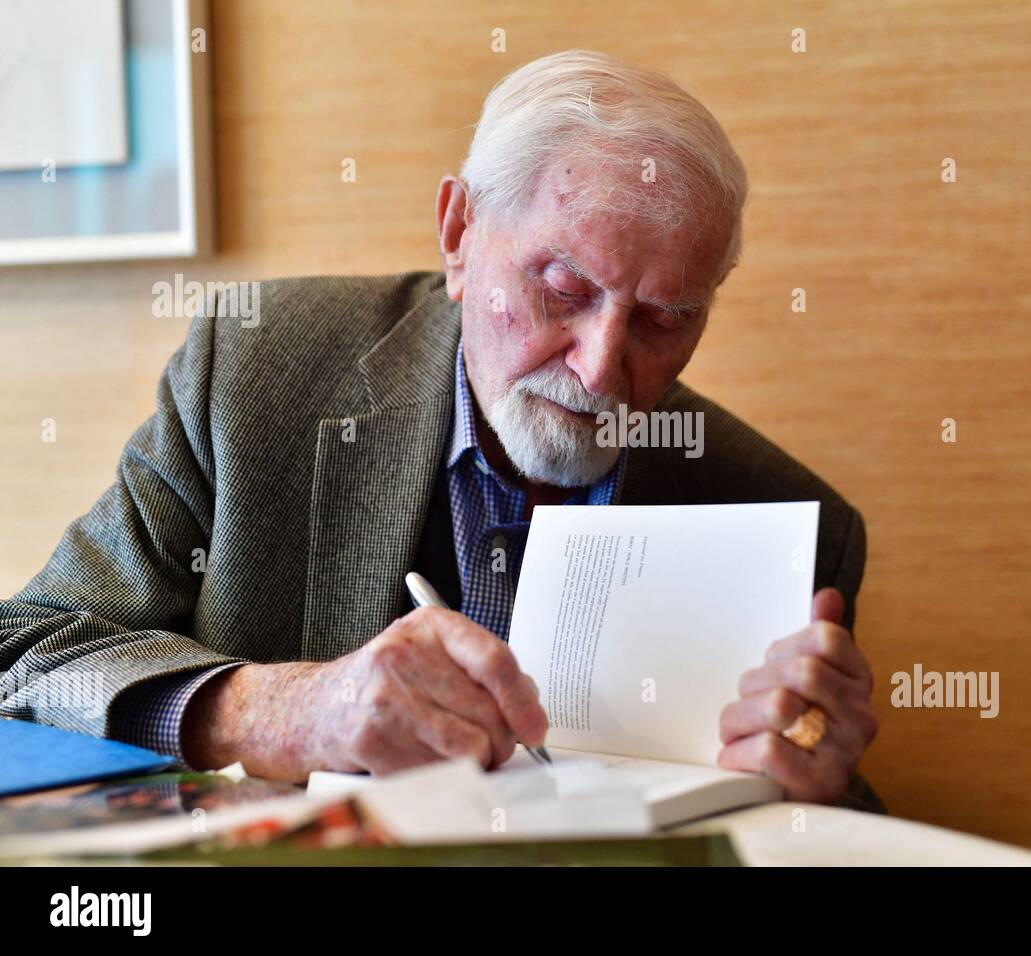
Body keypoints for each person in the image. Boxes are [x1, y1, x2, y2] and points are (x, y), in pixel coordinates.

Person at [0, 50, 882, 811]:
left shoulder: (785, 517)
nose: (602, 370)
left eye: (664, 319)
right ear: (459, 233)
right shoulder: (256, 377)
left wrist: (817, 779)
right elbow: (26, 655)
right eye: (564, 291)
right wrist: (287, 710)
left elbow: (829, 820)